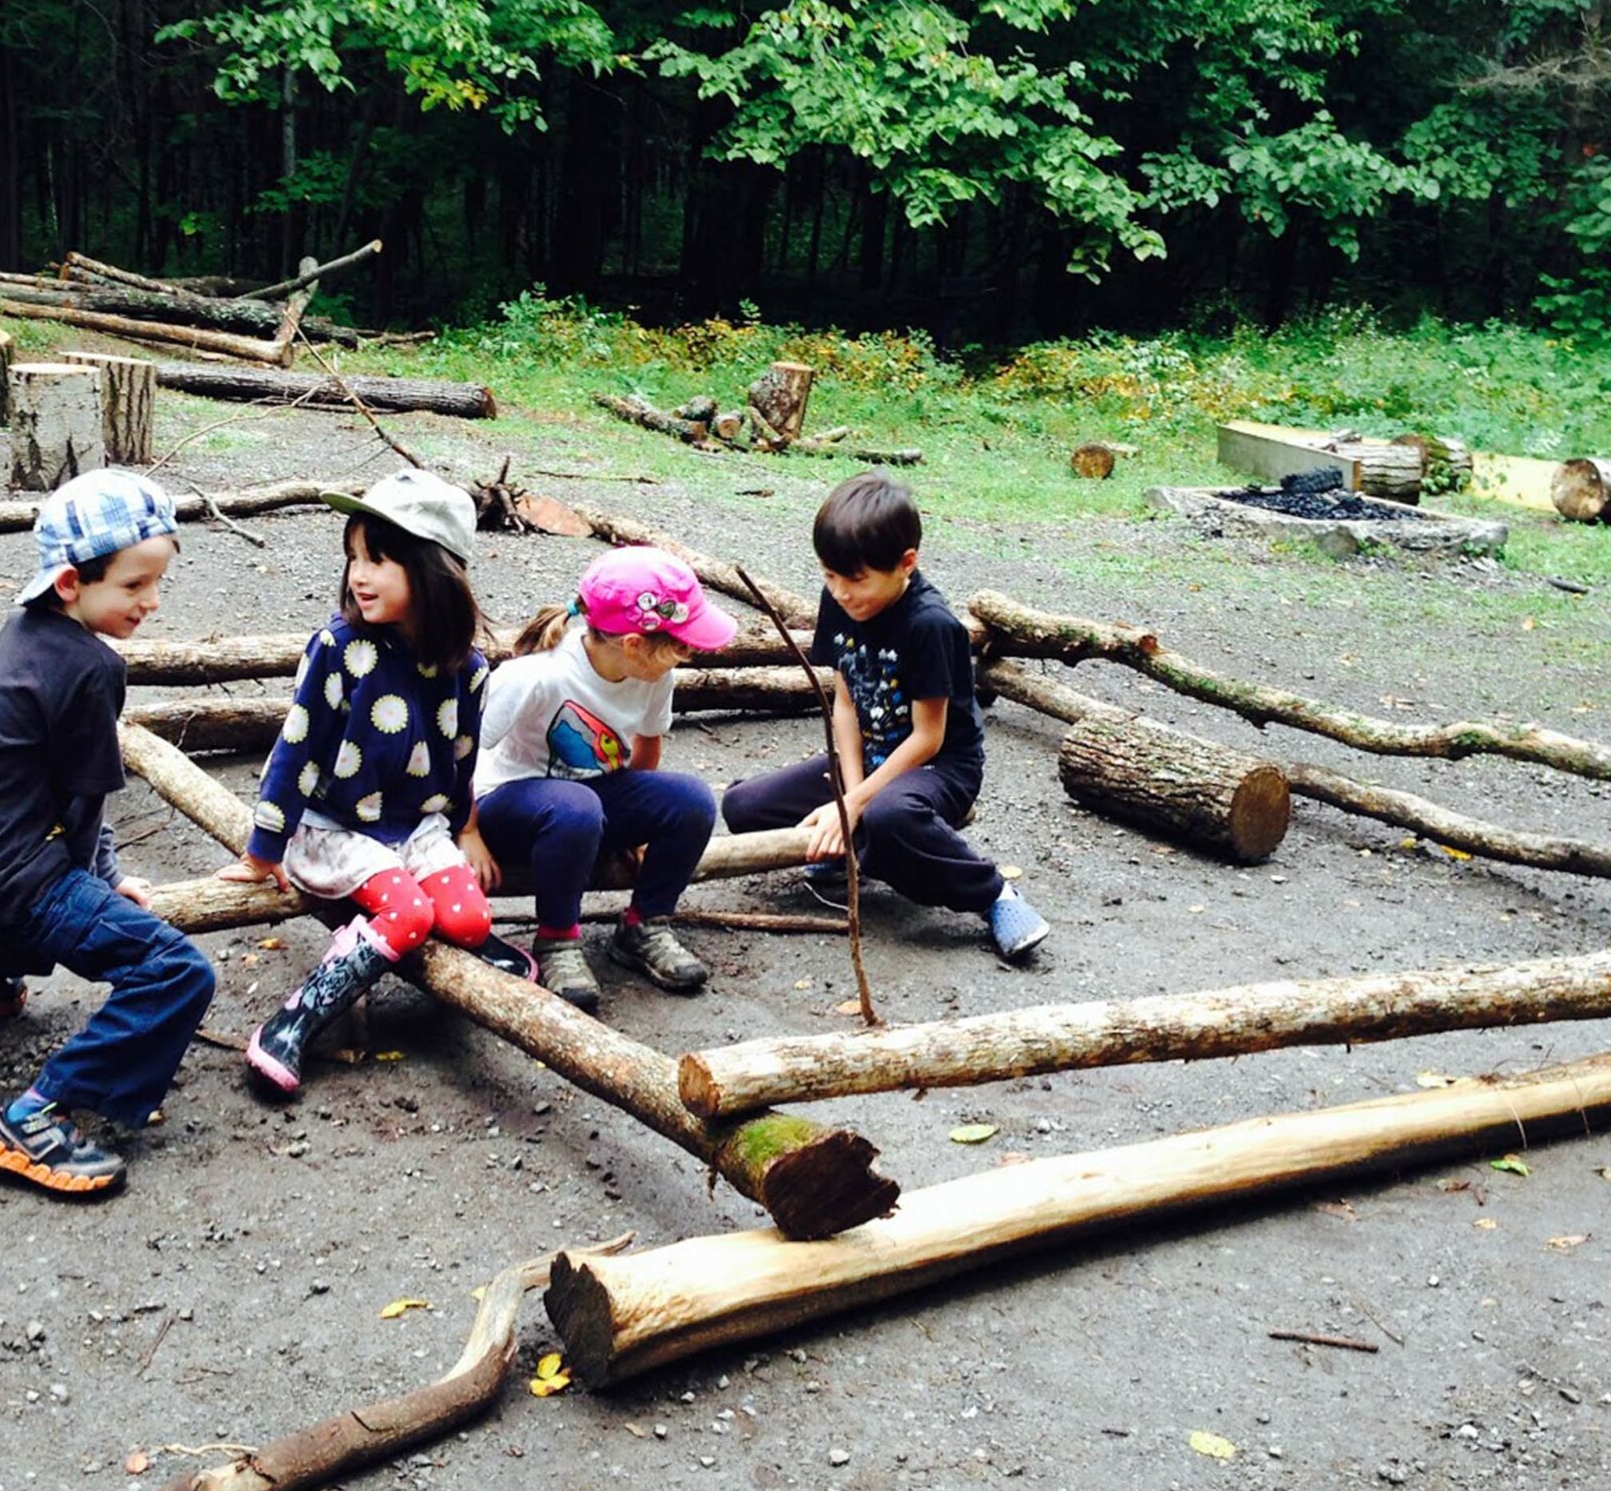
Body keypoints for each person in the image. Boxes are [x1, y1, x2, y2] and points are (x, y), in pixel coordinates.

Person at [0, 469, 217, 1197]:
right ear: (68, 583)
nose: (150, 602)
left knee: (71, 888)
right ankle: (35, 1114)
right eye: (132, 587)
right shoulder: (92, 667)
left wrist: (92, 874)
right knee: (178, 971)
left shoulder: (24, 634)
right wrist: (102, 882)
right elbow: (83, 802)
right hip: (19, 886)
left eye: (157, 583)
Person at [220, 467, 536, 1095]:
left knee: (469, 920)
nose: (358, 575)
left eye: (378, 560)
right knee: (410, 915)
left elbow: (461, 758)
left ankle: (410, 940)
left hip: (412, 828)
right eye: (354, 558)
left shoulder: (466, 666)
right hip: (332, 827)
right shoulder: (339, 649)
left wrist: (463, 829)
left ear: (434, 571)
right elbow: (296, 748)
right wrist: (264, 851)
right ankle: (299, 1018)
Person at [721, 470, 1049, 961]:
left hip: (938, 768)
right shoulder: (842, 603)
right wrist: (849, 798)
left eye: (856, 579)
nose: (842, 592)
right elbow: (847, 703)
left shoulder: (931, 625)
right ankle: (855, 849)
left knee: (889, 816)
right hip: (869, 763)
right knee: (743, 807)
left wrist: (853, 807)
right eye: (829, 576)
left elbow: (928, 739)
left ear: (905, 564)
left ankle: (992, 894)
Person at [461, 547, 731, 1008]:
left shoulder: (652, 673)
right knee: (575, 808)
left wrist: (641, 825)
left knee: (692, 801)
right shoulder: (537, 675)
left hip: (587, 804)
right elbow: (457, 752)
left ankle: (644, 925)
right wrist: (466, 831)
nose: (684, 656)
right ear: (633, 644)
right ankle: (558, 941)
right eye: (679, 646)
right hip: (504, 804)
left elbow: (647, 746)